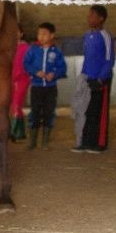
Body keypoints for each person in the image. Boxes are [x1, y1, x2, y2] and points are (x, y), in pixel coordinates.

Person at [71, 5, 115, 153]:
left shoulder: (106, 36)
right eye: (89, 15)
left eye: (92, 15)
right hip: (88, 79)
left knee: (99, 112)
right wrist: (83, 76)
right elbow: (87, 58)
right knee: (87, 112)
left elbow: (109, 59)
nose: (89, 18)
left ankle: (100, 143)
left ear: (101, 18)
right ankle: (87, 142)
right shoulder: (87, 36)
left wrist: (101, 78)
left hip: (101, 81)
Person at [23, 22, 67, 150]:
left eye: (44, 34)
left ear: (52, 35)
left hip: (50, 88)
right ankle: (32, 141)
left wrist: (54, 74)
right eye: (39, 33)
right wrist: (36, 72)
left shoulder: (57, 51)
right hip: (36, 87)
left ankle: (45, 142)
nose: (40, 36)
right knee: (35, 111)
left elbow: (62, 67)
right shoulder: (33, 49)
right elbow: (26, 64)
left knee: (49, 112)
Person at [9, 24, 31, 141]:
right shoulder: (9, 47)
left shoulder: (26, 47)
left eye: (17, 31)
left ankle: (15, 132)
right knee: (14, 105)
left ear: (21, 33)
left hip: (22, 79)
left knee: (16, 104)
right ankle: (21, 132)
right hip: (11, 79)